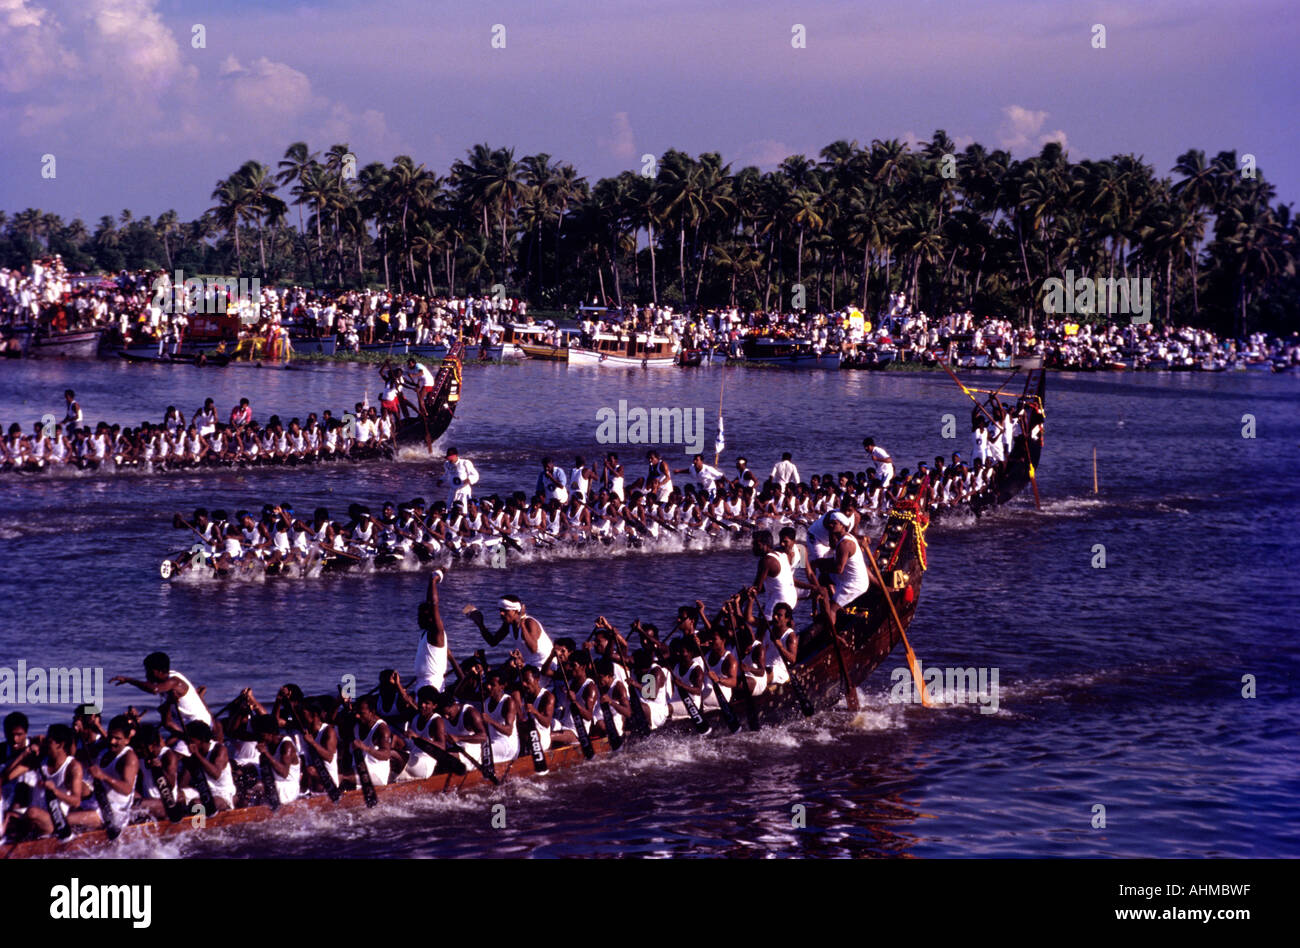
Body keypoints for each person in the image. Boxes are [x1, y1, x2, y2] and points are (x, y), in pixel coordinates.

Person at [110, 652, 213, 738]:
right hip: (185, 724)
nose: (147, 675)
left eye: (150, 671)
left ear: (160, 671)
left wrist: (129, 680)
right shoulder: (166, 682)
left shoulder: (174, 681)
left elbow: (154, 689)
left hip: (200, 726)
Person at [470, 595, 554, 669]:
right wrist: (480, 624)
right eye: (500, 610)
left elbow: (533, 649)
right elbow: (493, 642)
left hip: (547, 665)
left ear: (516, 611)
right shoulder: (508, 624)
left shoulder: (529, 623)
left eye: (505, 610)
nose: (501, 613)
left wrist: (522, 623)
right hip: (530, 664)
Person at [413, 571, 449, 693]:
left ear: (431, 618)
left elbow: (433, 604)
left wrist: (432, 581)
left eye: (421, 616)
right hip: (422, 683)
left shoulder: (436, 633)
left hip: (432, 685)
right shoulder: (425, 634)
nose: (418, 619)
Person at [752, 529, 797, 620]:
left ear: (766, 545)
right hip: (791, 598)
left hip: (781, 600)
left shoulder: (766, 561)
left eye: (757, 545)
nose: (754, 547)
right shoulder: (782, 554)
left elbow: (757, 588)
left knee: (763, 627)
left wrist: (740, 598)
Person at [442, 447, 479, 514]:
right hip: (453, 490)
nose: (450, 460)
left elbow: (475, 475)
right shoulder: (447, 464)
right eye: (448, 458)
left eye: (451, 458)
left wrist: (469, 479)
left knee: (463, 510)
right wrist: (441, 480)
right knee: (449, 509)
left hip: (463, 491)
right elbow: (446, 474)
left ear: (456, 456)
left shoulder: (465, 463)